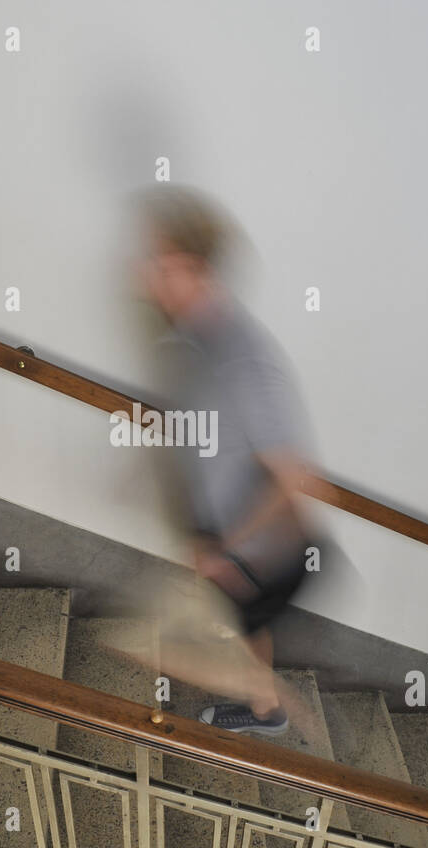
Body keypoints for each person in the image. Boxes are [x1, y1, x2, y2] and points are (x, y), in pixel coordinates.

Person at [133, 184, 322, 736]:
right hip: (233, 540)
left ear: (197, 271)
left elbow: (297, 482)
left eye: (161, 267)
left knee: (203, 639)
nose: (145, 278)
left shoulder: (244, 360)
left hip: (259, 551)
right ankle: (268, 708)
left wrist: (227, 550)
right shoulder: (196, 339)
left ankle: (266, 708)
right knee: (235, 629)